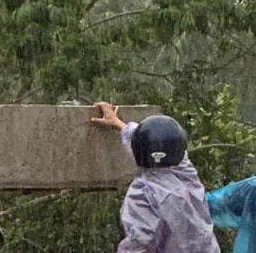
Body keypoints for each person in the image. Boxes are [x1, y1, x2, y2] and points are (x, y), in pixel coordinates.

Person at [91, 102, 220, 252]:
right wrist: (119, 124)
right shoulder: (186, 174)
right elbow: (158, 145)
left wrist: (120, 125)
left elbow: (139, 242)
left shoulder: (143, 192)